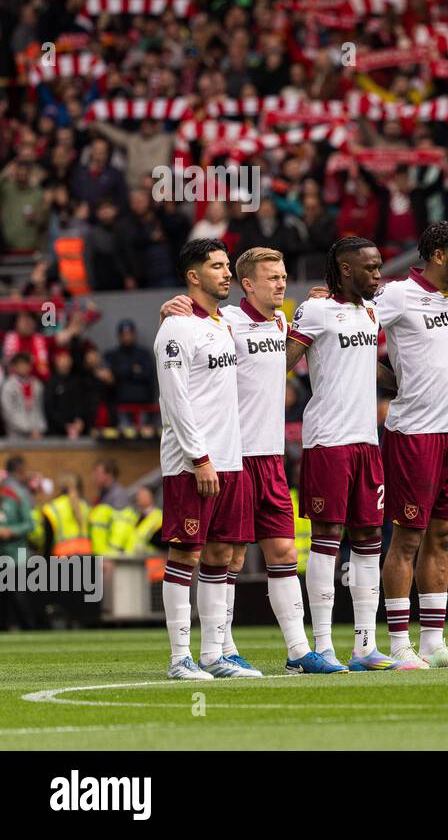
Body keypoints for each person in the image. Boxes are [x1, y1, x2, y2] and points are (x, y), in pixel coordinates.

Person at [161, 246, 340, 674]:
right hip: (231, 452)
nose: (281, 283)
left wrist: (322, 307)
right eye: (272, 277)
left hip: (270, 456)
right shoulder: (228, 322)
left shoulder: (279, 321)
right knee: (227, 557)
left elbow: (286, 356)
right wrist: (167, 312)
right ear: (247, 283)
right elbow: (184, 350)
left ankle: (298, 651)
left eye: (283, 276)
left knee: (281, 551)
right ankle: (219, 648)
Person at [286, 237, 409, 671]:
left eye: (379, 267)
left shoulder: (369, 311)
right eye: (371, 268)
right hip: (328, 441)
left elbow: (363, 366)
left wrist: (407, 380)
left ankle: (364, 646)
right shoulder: (315, 310)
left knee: (369, 540)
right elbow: (285, 361)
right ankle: (320, 646)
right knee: (326, 540)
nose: (378, 274)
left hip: (366, 442)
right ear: (344, 269)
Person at [373, 223, 448, 668]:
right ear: (438, 255)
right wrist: (391, 380)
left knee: (442, 535)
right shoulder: (398, 294)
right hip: (414, 435)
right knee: (407, 538)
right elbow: (353, 337)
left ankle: (434, 643)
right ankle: (400, 645)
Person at [154, 239, 255, 679]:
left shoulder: (222, 323)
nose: (226, 273)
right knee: (186, 553)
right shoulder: (177, 328)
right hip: (192, 462)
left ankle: (215, 654)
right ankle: (180, 658)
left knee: (221, 554)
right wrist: (200, 458)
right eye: (216, 267)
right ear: (193, 276)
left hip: (230, 459)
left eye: (227, 265)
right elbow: (176, 401)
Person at [0, 457, 38, 629]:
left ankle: (30, 628)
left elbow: (30, 524)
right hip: (2, 555)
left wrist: (11, 531)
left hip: (19, 553)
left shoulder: (16, 496)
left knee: (19, 594)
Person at [1, 352, 45, 439]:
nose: (23, 367)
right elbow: (8, 413)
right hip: (16, 434)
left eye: (26, 364)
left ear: (30, 366)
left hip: (37, 433)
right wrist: (28, 429)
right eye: (20, 365)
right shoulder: (8, 386)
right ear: (14, 367)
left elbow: (41, 409)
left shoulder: (37, 384)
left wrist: (39, 428)